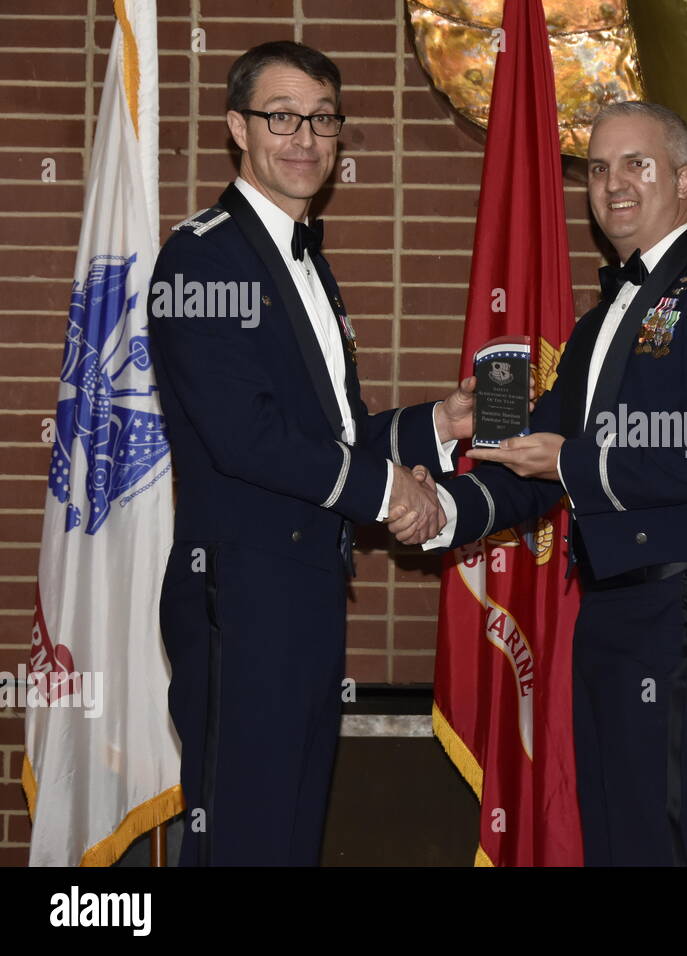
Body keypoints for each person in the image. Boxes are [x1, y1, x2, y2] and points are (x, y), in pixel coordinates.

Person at [404, 102, 687, 866]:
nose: (613, 184)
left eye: (636, 164)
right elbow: (524, 459)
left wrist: (573, 463)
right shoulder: (598, 319)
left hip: (683, 605)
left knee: (669, 836)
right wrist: (440, 506)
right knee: (615, 839)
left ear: (683, 179)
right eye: (599, 168)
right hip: (609, 611)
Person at [148, 41, 469, 865]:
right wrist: (388, 492)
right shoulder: (203, 256)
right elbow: (246, 436)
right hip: (240, 595)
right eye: (281, 117)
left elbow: (331, 434)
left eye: (324, 119)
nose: (306, 138)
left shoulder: (306, 261)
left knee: (290, 839)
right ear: (237, 129)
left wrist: (440, 423)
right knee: (244, 838)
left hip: (305, 593)